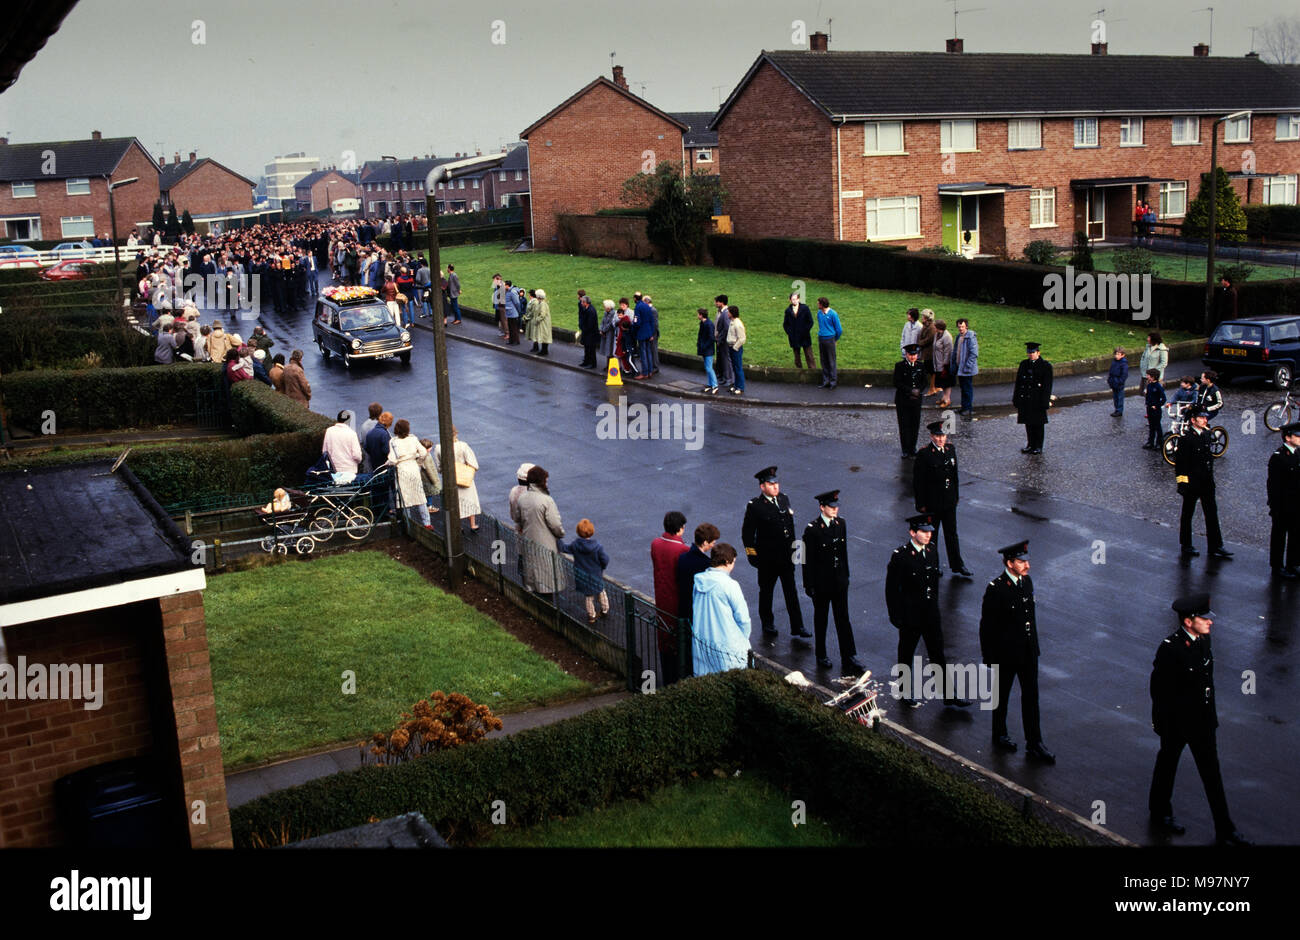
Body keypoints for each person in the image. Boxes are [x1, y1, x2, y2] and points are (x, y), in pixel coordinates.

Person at [1148, 593, 1251, 845]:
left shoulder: (1204, 641)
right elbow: (1159, 690)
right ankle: (1159, 812)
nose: (1210, 622)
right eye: (1203, 618)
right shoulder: (1170, 648)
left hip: (1202, 724)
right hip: (1178, 724)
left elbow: (1207, 683)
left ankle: (1225, 830)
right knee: (1167, 765)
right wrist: (1162, 724)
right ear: (1187, 622)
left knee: (1212, 776)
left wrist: (1211, 719)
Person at [979, 540, 1054, 762]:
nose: (1027, 565)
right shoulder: (997, 589)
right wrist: (989, 657)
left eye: (1026, 561)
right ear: (1009, 563)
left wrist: (1034, 648)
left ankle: (1034, 743)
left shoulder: (1027, 583)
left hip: (1028, 652)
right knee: (1001, 697)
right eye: (1021, 561)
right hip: (1006, 654)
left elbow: (1029, 619)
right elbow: (987, 626)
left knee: (1031, 698)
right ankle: (999, 734)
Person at [886, 514, 970, 708]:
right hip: (911, 615)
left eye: (929, 532)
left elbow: (933, 584)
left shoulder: (932, 551)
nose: (928, 536)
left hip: (930, 614)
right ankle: (904, 691)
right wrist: (895, 615)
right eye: (923, 532)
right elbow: (892, 589)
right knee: (906, 654)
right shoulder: (901, 556)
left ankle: (949, 695)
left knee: (937, 654)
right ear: (912, 532)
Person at [741, 466, 811, 644]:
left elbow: (790, 528)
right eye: (771, 484)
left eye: (776, 483)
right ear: (762, 487)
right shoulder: (755, 506)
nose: (775, 487)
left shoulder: (784, 499)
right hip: (767, 559)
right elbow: (747, 533)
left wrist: (796, 552)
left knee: (791, 592)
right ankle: (767, 623)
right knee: (766, 592)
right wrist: (753, 556)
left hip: (785, 557)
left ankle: (798, 626)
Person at [801, 490, 864, 674]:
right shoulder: (812, 529)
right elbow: (807, 560)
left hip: (839, 582)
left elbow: (842, 553)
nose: (835, 510)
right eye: (831, 507)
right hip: (821, 584)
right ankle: (821, 654)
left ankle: (849, 656)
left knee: (843, 619)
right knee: (821, 620)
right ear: (822, 507)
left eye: (836, 507)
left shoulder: (840, 524)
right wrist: (809, 585)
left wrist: (846, 576)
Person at [913, 420, 973, 578]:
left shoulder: (950, 449)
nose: (940, 439)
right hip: (933, 502)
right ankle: (933, 564)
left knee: (952, 534)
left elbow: (954, 475)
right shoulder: (924, 453)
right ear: (932, 436)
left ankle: (958, 565)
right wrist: (920, 504)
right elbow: (918, 481)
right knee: (932, 535)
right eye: (937, 436)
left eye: (943, 436)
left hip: (949, 501)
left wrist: (956, 496)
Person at [1175, 406, 1232, 560]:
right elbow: (1180, 465)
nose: (1205, 419)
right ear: (1193, 420)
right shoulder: (1186, 439)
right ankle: (1186, 544)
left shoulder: (1207, 434)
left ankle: (1216, 545)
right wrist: (1182, 484)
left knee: (1212, 514)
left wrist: (1211, 479)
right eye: (1202, 417)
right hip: (1192, 484)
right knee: (1187, 515)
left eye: (1205, 417)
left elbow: (1209, 460)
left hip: (1206, 483)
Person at [690, 543, 752, 676]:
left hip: (703, 642)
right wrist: (743, 638)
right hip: (726, 645)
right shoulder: (730, 585)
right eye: (733, 562)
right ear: (727, 562)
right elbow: (743, 618)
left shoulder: (699, 580)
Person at [674, 521, 719, 681]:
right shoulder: (705, 565)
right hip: (697, 611)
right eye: (713, 542)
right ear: (705, 542)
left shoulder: (683, 558)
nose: (713, 545)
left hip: (683, 607)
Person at [651, 512, 692, 685]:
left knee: (664, 636)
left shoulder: (656, 544)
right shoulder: (683, 550)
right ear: (681, 528)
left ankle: (667, 675)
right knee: (678, 637)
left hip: (661, 595)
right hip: (676, 598)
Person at [513, 465, 564, 596]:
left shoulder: (522, 498)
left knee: (532, 575)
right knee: (547, 577)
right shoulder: (547, 500)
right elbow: (555, 524)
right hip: (546, 544)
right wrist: (561, 534)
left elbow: (517, 518)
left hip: (528, 541)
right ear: (541, 482)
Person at [560, 519, 610, 624]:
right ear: (592, 531)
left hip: (582, 575)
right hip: (596, 574)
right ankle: (605, 609)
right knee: (601, 591)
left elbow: (564, 548)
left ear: (578, 532)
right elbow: (605, 559)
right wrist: (602, 567)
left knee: (589, 597)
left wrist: (557, 538)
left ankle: (592, 615)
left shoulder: (575, 545)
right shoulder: (598, 547)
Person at [1268, 423, 1300, 579]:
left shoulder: (1298, 453)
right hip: (1282, 505)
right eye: (1298, 435)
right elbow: (1273, 485)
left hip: (1296, 504)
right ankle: (1277, 566)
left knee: (1296, 535)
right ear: (1288, 438)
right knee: (1279, 536)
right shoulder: (1278, 457)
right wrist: (1274, 506)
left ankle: (1293, 563)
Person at [386, 419, 431, 529]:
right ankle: (427, 523)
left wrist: (389, 463)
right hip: (413, 467)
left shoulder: (393, 441)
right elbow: (423, 452)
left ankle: (409, 523)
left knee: (405, 497)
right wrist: (418, 463)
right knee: (419, 495)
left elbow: (392, 459)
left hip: (402, 469)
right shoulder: (413, 439)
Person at [436, 425, 481, 530]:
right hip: (464, 478)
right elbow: (473, 464)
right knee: (469, 500)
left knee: (454, 502)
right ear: (455, 433)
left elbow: (439, 468)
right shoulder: (463, 446)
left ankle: (457, 526)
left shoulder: (439, 448)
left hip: (449, 480)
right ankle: (473, 525)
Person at [1013, 341, 1053, 454]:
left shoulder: (1045, 366)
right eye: (1029, 352)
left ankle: (1038, 446)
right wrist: (1016, 398)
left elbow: (1047, 386)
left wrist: (1045, 402)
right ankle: (1030, 444)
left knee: (1038, 424)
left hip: (1037, 400)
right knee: (1028, 423)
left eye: (1033, 352)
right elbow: (1018, 383)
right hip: (1026, 399)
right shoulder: (1024, 364)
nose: (1031, 354)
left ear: (1038, 353)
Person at [894, 343, 926, 458]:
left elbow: (924, 382)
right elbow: (897, 382)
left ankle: (913, 448)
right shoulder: (900, 366)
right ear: (906, 354)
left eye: (915, 354)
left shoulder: (921, 366)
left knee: (915, 425)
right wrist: (910, 391)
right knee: (904, 425)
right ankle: (905, 449)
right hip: (903, 400)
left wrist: (918, 391)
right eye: (910, 355)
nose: (913, 357)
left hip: (916, 401)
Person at [951, 317, 979, 417]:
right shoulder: (959, 337)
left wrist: (967, 366)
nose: (960, 329)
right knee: (963, 388)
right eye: (959, 327)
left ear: (966, 326)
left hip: (967, 369)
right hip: (960, 368)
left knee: (967, 389)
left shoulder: (971, 337)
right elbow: (955, 351)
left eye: (962, 327)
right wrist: (954, 363)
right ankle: (964, 407)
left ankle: (968, 409)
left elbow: (974, 354)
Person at [323, 410, 363, 477]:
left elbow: (324, 451)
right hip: (349, 471)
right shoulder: (352, 433)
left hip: (333, 470)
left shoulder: (329, 431)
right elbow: (357, 455)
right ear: (348, 421)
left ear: (338, 419)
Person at [783, 293, 816, 370]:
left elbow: (810, 321)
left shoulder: (805, 308)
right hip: (794, 337)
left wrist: (805, 331)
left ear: (798, 299)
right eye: (793, 299)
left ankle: (812, 371)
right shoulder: (788, 311)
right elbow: (785, 324)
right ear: (790, 300)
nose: (794, 301)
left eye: (796, 299)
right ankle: (799, 371)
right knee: (797, 356)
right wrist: (790, 333)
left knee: (809, 354)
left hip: (805, 336)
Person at [816, 296, 842, 390]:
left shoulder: (833, 314)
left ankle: (833, 382)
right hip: (821, 338)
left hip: (830, 339)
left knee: (831, 361)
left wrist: (835, 339)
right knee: (823, 361)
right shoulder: (819, 313)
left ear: (822, 304)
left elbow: (839, 329)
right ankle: (825, 381)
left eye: (818, 303)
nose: (817, 304)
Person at [633, 293, 657, 380]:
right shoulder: (647, 306)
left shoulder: (638, 307)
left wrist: (634, 329)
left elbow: (637, 321)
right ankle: (650, 371)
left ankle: (645, 373)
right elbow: (651, 320)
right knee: (648, 352)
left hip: (641, 333)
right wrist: (651, 333)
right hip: (648, 332)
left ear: (635, 299)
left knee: (643, 353)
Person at [932, 319, 954, 409]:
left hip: (945, 364)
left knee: (947, 382)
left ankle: (947, 400)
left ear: (939, 327)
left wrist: (945, 366)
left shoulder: (947, 337)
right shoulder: (937, 334)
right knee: (942, 383)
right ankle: (943, 398)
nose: (933, 327)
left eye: (935, 326)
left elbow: (948, 352)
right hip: (937, 363)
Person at [1143, 369, 1167, 451]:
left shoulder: (1158, 387)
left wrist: (1157, 406)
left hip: (1156, 410)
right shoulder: (1149, 385)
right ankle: (1150, 442)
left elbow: (1163, 399)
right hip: (1149, 408)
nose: (1147, 377)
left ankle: (1159, 443)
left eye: (1148, 375)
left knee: (1157, 427)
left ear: (1153, 377)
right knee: (1151, 426)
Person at [713, 295, 734, 390]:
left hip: (724, 340)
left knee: (726, 359)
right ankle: (722, 377)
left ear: (721, 302)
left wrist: (720, 339)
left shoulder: (725, 313)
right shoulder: (719, 312)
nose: (715, 303)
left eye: (717, 302)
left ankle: (729, 379)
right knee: (721, 359)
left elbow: (726, 328)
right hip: (719, 339)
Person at [696, 308, 718, 393]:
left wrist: (703, 346)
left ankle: (715, 385)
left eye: (698, 314)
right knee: (707, 367)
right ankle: (710, 384)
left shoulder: (708, 324)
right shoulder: (703, 323)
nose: (697, 316)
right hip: (704, 349)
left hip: (707, 350)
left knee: (709, 368)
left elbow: (711, 338)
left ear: (701, 315)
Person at [418, 437, 442, 516]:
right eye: (429, 447)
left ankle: (427, 506)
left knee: (427, 493)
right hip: (427, 479)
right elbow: (429, 469)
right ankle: (429, 506)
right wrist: (434, 480)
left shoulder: (421, 455)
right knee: (429, 493)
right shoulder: (426, 457)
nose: (431, 449)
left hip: (424, 478)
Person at [726, 305, 746, 395]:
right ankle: (736, 386)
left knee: (738, 368)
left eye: (728, 312)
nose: (727, 313)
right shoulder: (732, 322)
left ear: (732, 313)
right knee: (735, 368)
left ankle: (740, 387)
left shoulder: (738, 324)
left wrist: (735, 347)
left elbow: (742, 338)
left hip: (735, 348)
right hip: (731, 347)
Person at [577, 290, 600, 368]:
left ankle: (593, 364)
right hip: (587, 333)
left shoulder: (591, 311)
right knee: (587, 348)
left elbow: (590, 324)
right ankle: (586, 361)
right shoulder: (587, 309)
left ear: (586, 303)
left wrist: (583, 328)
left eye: (583, 302)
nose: (581, 303)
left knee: (591, 349)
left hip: (591, 334)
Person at [918, 310, 938, 395]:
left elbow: (929, 339)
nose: (922, 317)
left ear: (927, 318)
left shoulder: (932, 328)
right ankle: (932, 387)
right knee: (929, 370)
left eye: (923, 316)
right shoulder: (925, 326)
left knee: (931, 371)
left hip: (930, 353)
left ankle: (932, 388)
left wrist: (920, 343)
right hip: (926, 353)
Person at [527, 288, 552, 356]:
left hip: (543, 323)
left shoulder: (543, 304)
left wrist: (536, 320)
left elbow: (542, 314)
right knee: (543, 336)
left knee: (544, 336)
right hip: (542, 323)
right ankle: (543, 350)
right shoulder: (540, 303)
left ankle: (544, 351)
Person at [1107, 346, 1130, 417]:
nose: (1116, 356)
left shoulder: (1124, 364)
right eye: (1116, 354)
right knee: (1115, 397)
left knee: (1119, 397)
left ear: (1123, 355)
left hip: (1119, 383)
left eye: (1118, 354)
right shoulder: (1114, 361)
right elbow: (1111, 371)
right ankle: (1117, 409)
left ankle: (1119, 410)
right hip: (1113, 382)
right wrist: (1110, 380)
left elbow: (1124, 375)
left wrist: (1119, 381)